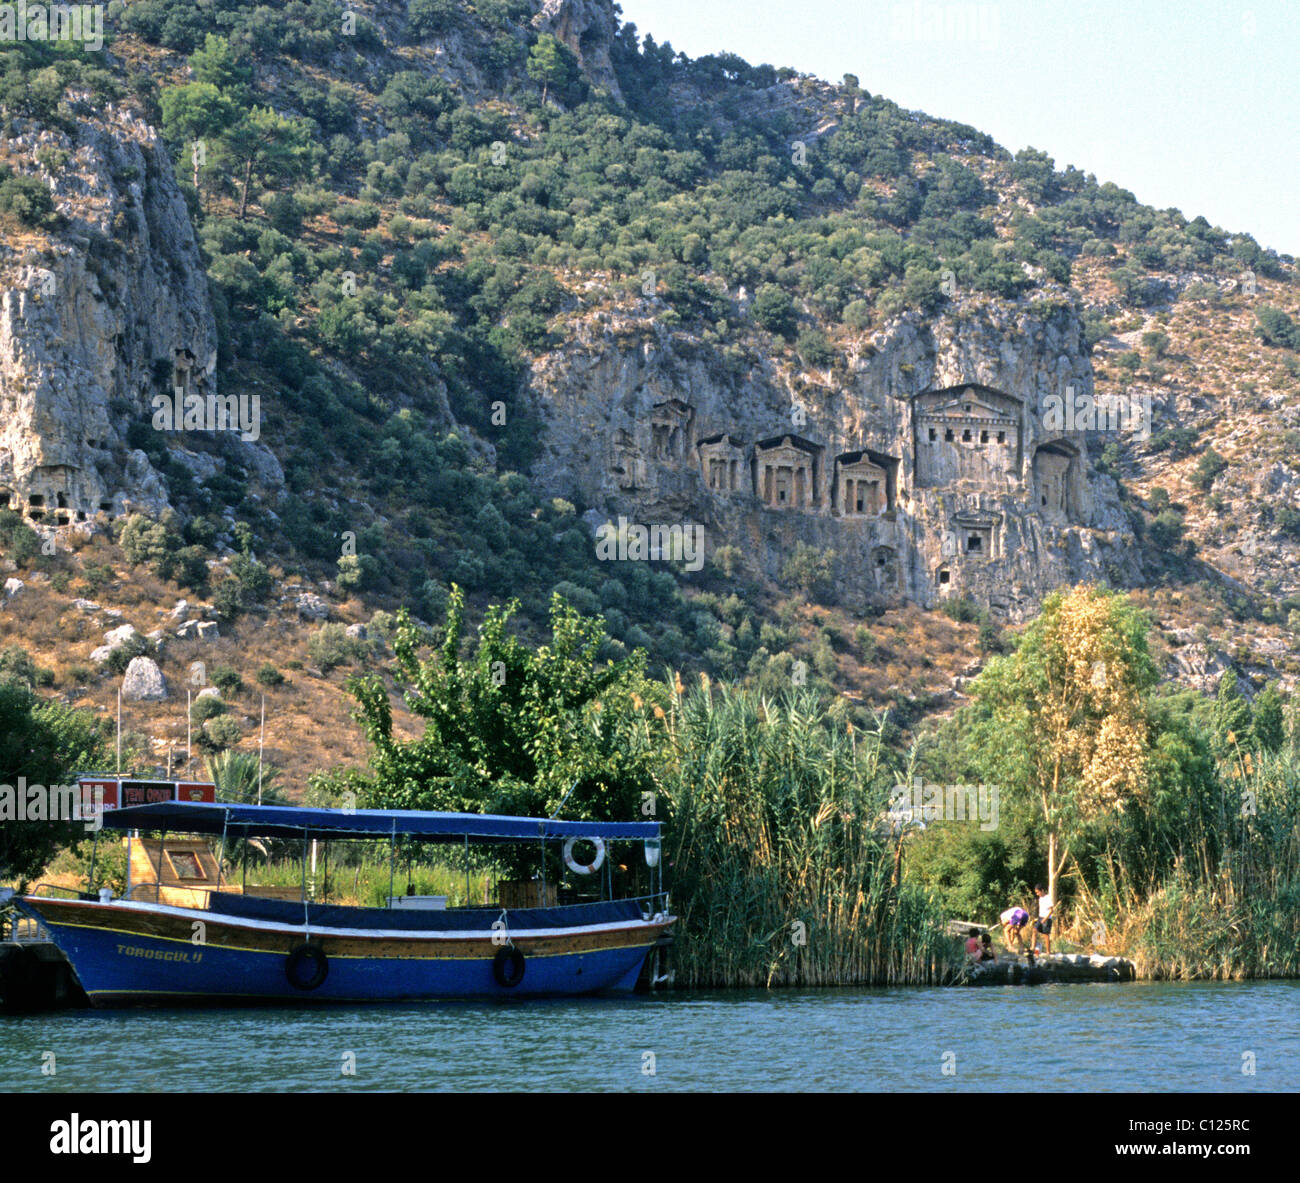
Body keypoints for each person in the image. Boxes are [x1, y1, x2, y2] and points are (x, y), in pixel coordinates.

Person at [1033, 883, 1055, 954]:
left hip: (1047, 919)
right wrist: (1038, 918)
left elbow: (1051, 910)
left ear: (1042, 890)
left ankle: (1048, 951)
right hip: (1040, 917)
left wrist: (1045, 919)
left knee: (1046, 935)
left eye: (1037, 892)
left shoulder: (1047, 898)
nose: (1037, 894)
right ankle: (1032, 948)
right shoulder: (1040, 898)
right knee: (1034, 930)